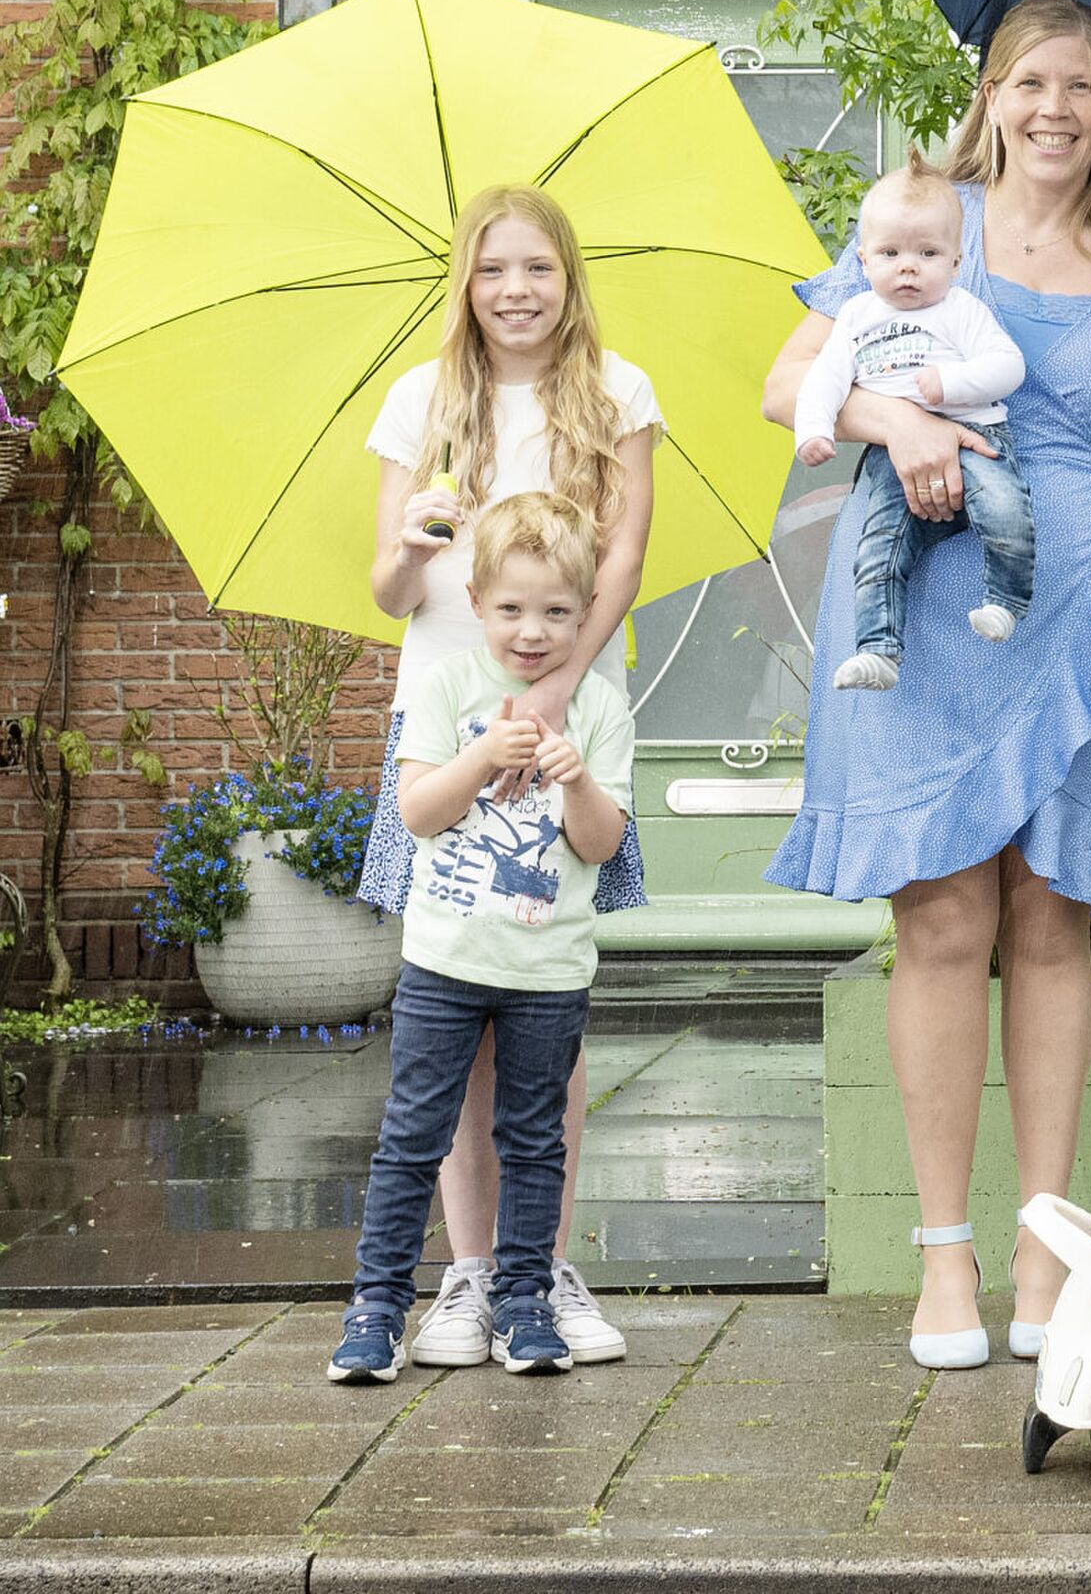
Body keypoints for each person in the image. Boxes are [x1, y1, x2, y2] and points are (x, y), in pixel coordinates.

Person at [762, 0, 1091, 1370]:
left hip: (1085, 618)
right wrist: (896, 416)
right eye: (1027, 83)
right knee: (945, 922)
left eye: (1078, 85)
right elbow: (792, 383)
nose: (1052, 109)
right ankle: (944, 1254)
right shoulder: (923, 224)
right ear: (991, 99)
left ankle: (1044, 1245)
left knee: (1054, 924)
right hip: (926, 603)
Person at [356, 182, 659, 1369]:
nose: (516, 290)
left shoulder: (617, 391)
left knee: (545, 1015)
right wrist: (416, 538)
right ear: (465, 285)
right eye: (493, 270)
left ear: (567, 277)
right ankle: (469, 1274)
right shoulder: (420, 403)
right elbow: (384, 590)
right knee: (456, 1010)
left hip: (570, 718)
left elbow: (624, 557)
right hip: (446, 721)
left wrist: (552, 690)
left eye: (537, 267)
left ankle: (543, 1264)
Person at [328, 495, 639, 1383]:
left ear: (586, 615)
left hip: (548, 968)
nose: (532, 632)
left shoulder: (601, 710)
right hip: (445, 962)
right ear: (474, 602)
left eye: (556, 614)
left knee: (537, 1138)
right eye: (511, 609)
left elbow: (600, 844)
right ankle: (378, 1306)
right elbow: (420, 811)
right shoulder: (446, 690)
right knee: (412, 1133)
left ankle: (526, 1301)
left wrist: (574, 780)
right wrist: (483, 757)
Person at [792, 153, 1033, 689]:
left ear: (955, 261)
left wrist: (950, 385)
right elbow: (824, 378)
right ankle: (877, 647)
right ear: (862, 259)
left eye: (927, 253)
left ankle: (1005, 599)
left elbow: (1008, 367)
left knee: (1005, 511)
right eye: (890, 252)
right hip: (890, 457)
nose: (908, 266)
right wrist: (813, 428)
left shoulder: (961, 310)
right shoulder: (856, 316)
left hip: (977, 438)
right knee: (880, 544)